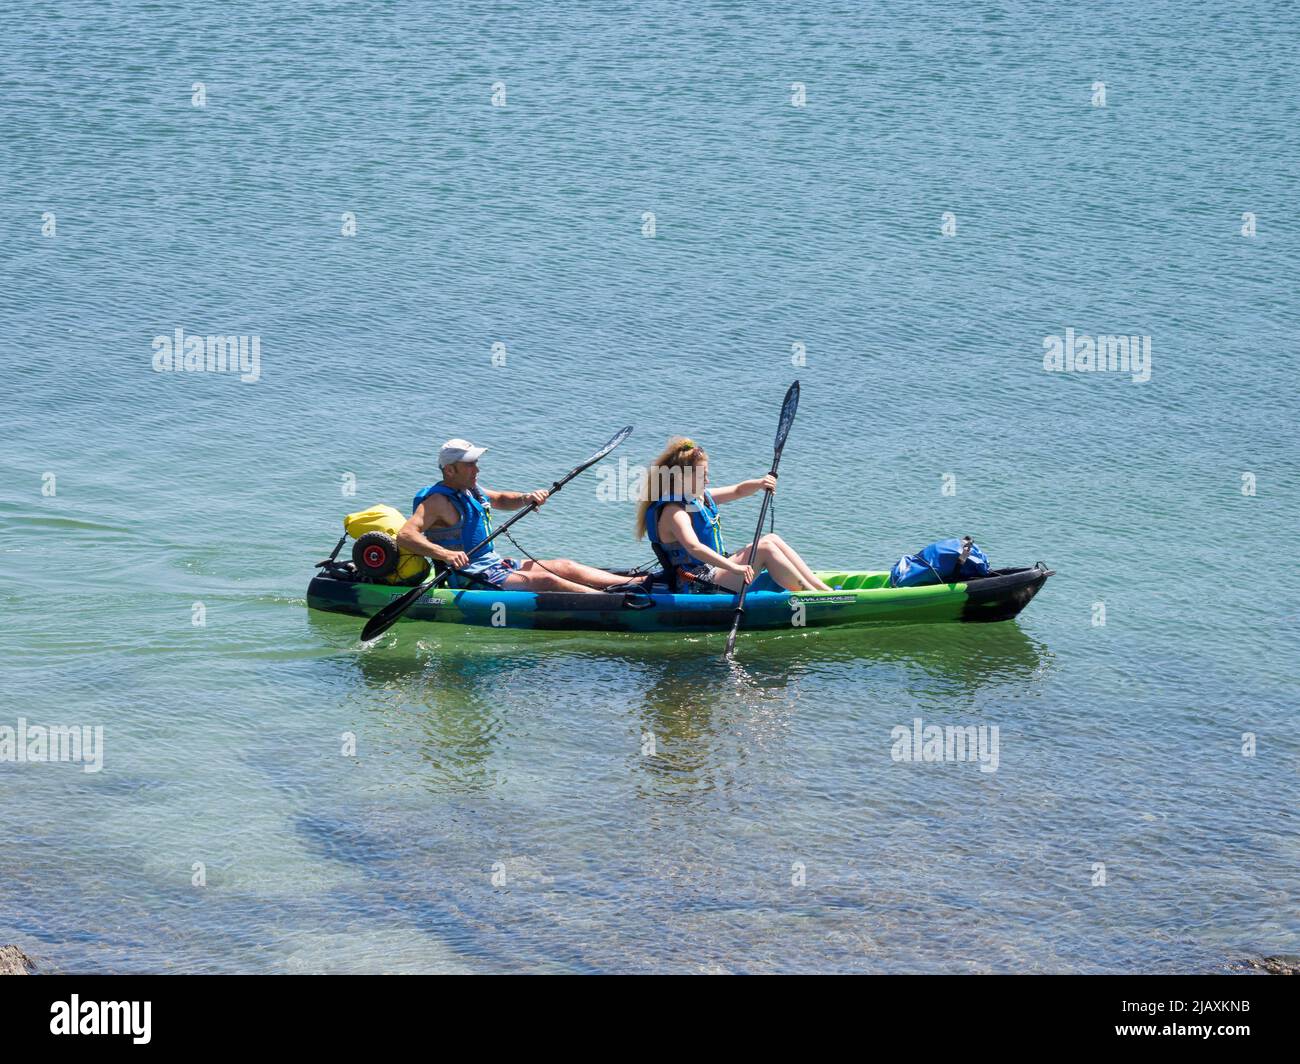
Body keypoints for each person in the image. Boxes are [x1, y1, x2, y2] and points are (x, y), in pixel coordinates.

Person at [398, 438, 634, 593]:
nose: (476, 469)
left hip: (494, 565)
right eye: (469, 464)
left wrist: (526, 498)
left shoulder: (470, 490)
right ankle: (613, 603)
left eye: (476, 463)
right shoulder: (437, 501)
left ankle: (636, 585)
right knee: (546, 582)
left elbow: (500, 499)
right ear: (450, 470)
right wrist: (446, 554)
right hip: (471, 576)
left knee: (565, 566)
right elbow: (406, 535)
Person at [635, 437, 832, 593]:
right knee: (764, 549)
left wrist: (761, 483)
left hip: (713, 570)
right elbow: (694, 547)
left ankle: (823, 589)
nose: (708, 480)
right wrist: (735, 568)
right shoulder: (674, 512)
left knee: (771, 539)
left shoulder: (696, 499)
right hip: (696, 582)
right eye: (702, 476)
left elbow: (738, 490)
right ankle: (813, 595)